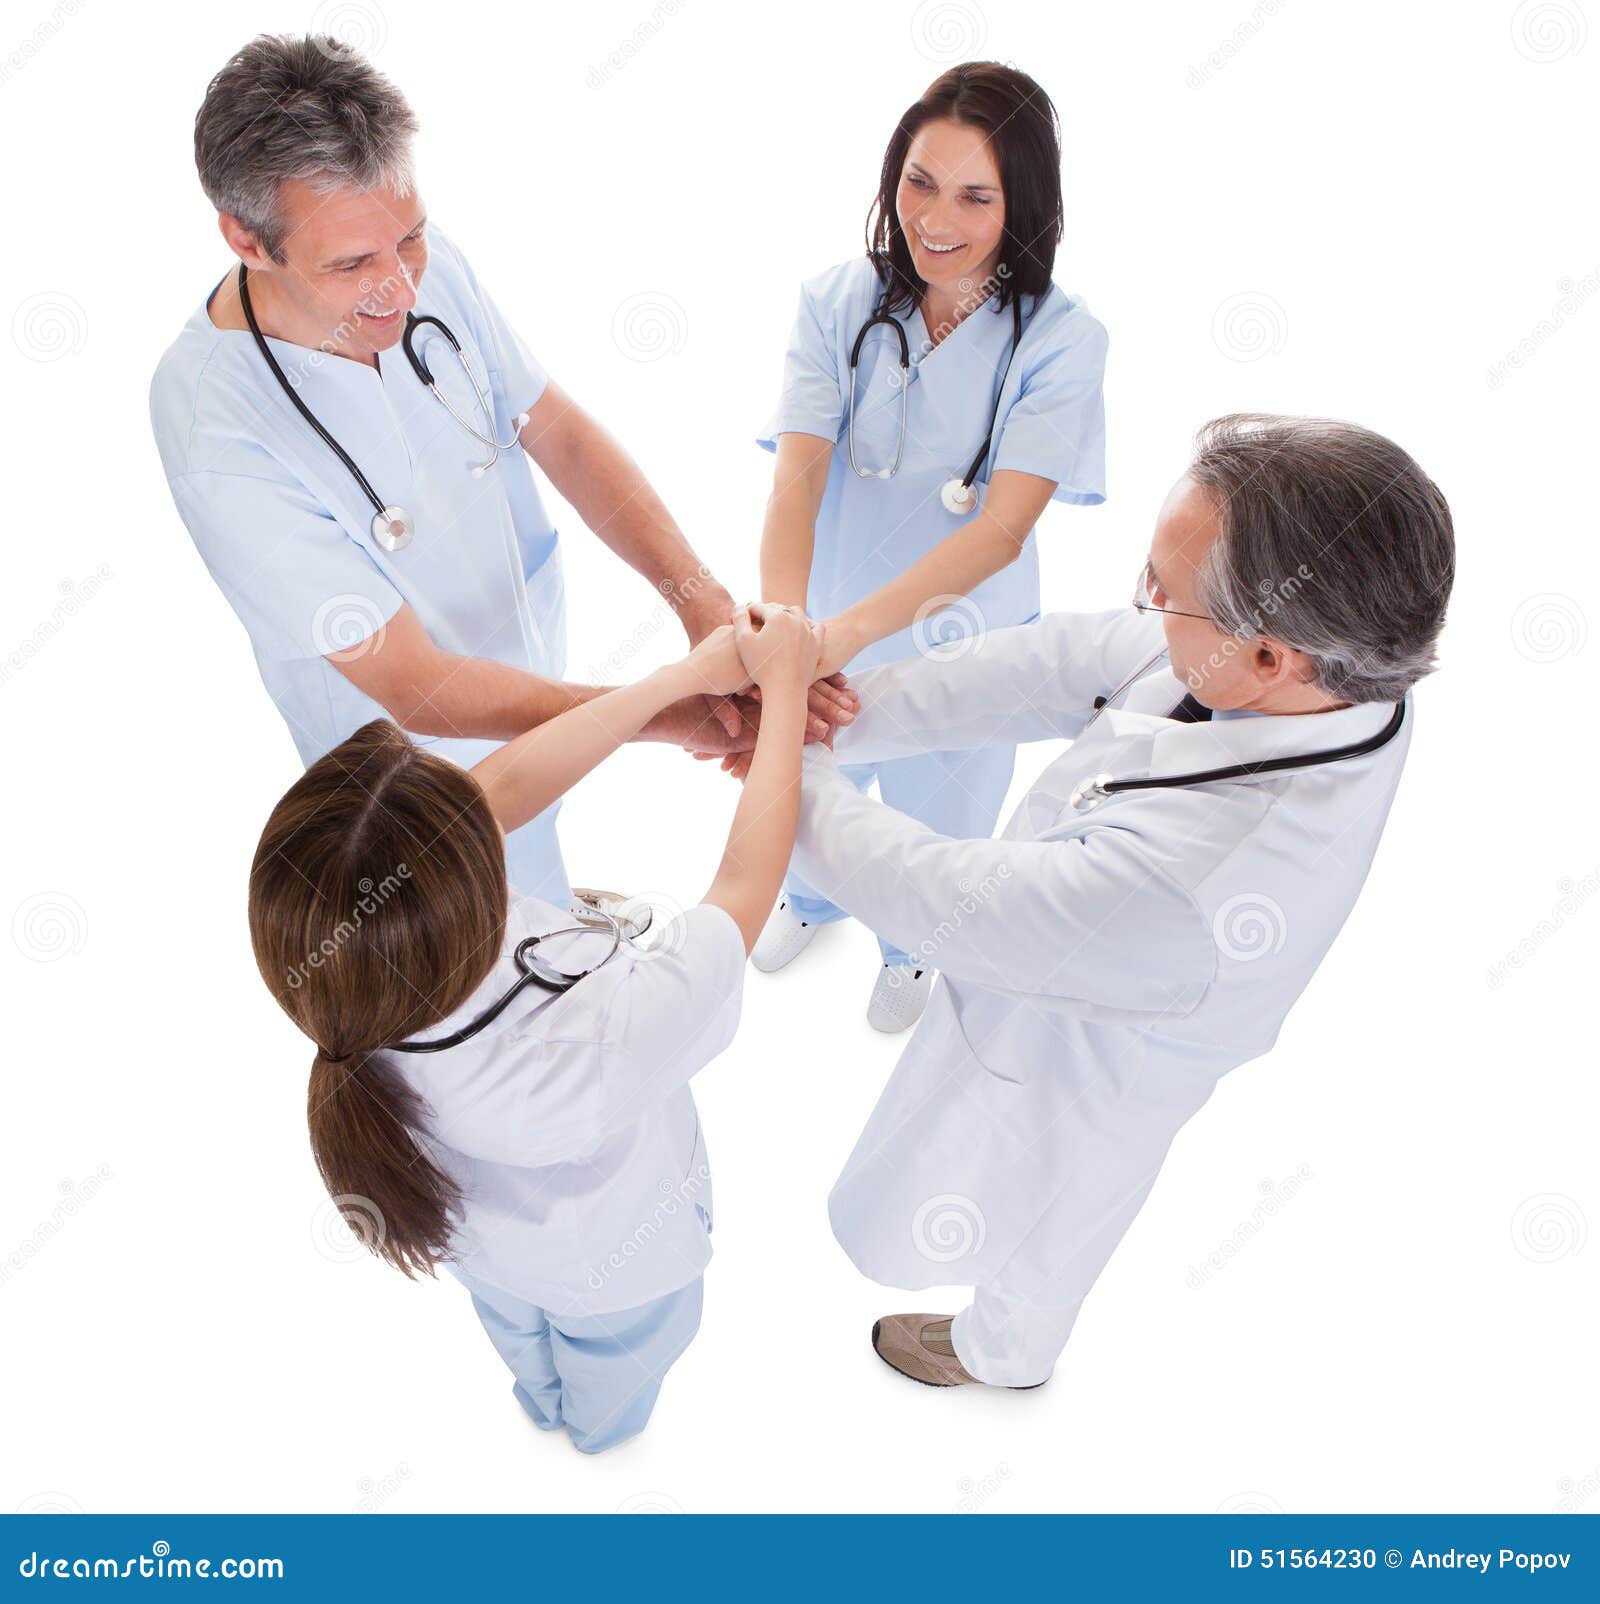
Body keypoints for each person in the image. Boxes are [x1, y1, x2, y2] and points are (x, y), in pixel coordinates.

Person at [781, 415, 1454, 1389]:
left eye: (1165, 595)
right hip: (1094, 955)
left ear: (1269, 659)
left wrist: (783, 762)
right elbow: (1053, 662)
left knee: (1068, 1196)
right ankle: (1011, 1341)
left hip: (1119, 1045)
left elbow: (938, 895)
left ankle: (1003, 1353)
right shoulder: (1317, 665)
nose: (1143, 604)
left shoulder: (1198, 885)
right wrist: (839, 709)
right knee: (1063, 1185)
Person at [150, 34, 852, 914]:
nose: (400, 289)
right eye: (352, 265)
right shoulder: (214, 423)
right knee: (468, 926)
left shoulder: (410, 255)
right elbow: (411, 684)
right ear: (246, 240)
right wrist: (661, 711)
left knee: (534, 856)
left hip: (523, 657)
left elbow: (552, 427)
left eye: (408, 240)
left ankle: (553, 903)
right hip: (408, 768)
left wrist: (698, 601)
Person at [247, 604, 822, 1452]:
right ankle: (596, 1432)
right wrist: (787, 692)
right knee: (615, 1364)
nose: (486, 795)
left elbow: (508, 787)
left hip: (483, 1247)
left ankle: (537, 1393)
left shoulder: (348, 963)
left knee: (515, 1326)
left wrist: (677, 684)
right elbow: (745, 881)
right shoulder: (602, 1041)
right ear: (475, 874)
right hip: (614, 1269)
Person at [745, 61, 1108, 1031]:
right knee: (816, 793)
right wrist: (786, 622)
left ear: (1021, 201)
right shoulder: (835, 303)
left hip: (963, 635)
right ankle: (813, 901)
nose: (934, 217)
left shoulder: (1061, 341)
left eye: (974, 195)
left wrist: (847, 634)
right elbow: (798, 475)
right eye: (919, 181)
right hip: (824, 613)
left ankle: (912, 951)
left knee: (942, 820)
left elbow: (999, 528)